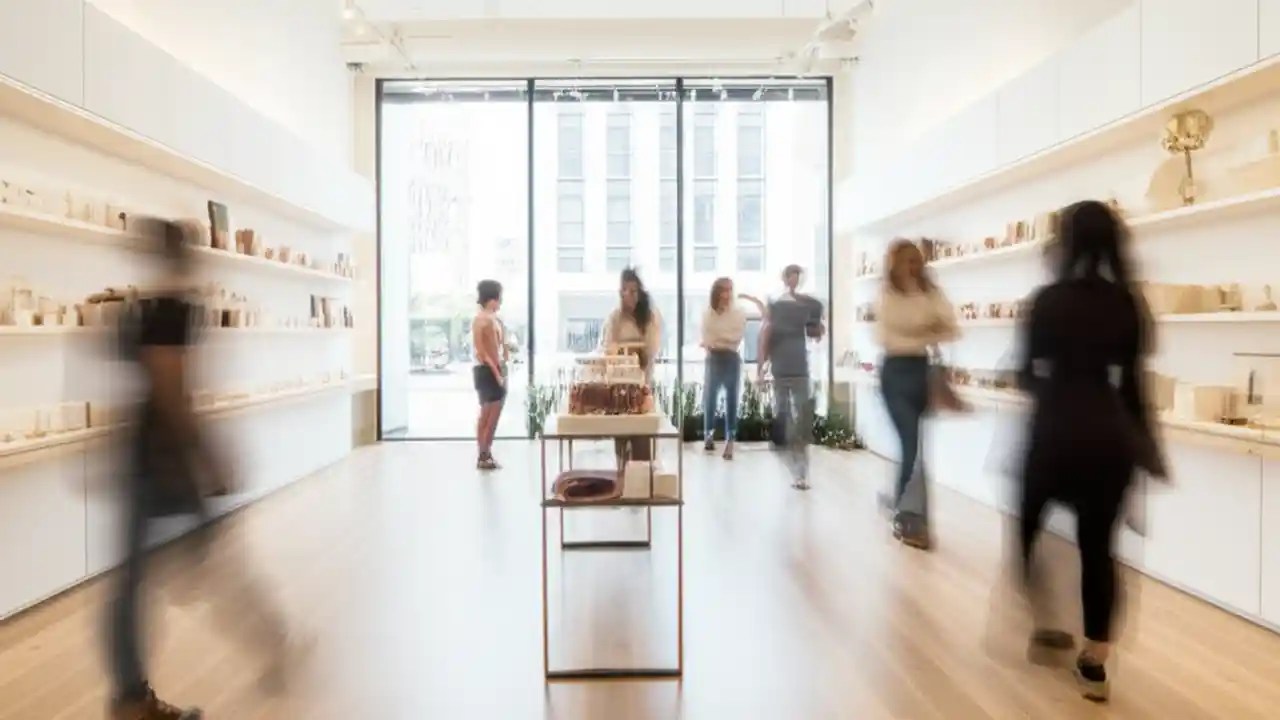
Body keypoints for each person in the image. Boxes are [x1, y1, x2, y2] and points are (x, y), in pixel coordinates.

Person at [109, 220, 301, 720]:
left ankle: (132, 695)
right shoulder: (173, 311)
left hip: (146, 457)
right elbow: (172, 390)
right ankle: (272, 640)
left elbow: (162, 386)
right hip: (165, 463)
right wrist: (207, 454)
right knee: (208, 564)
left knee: (140, 582)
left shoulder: (143, 309)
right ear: (184, 255)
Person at [1016, 200, 1163, 702]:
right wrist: (1146, 445)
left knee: (1027, 529)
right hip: (1108, 436)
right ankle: (1094, 662)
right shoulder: (1128, 303)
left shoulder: (1046, 301)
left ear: (1069, 241)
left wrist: (1055, 391)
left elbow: (1025, 375)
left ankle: (1046, 621)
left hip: (1054, 431)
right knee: (1099, 548)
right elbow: (1134, 386)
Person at [874, 240, 959, 549]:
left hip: (921, 372)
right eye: (906, 261)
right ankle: (905, 512)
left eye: (915, 261)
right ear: (895, 264)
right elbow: (886, 335)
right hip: (895, 373)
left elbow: (951, 328)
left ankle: (906, 509)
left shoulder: (931, 291)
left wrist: (917, 333)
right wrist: (926, 330)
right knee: (910, 443)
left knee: (918, 448)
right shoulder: (887, 294)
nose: (911, 267)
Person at [758, 264, 824, 490]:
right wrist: (761, 369)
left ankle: (801, 472)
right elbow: (765, 336)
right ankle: (791, 462)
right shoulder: (776, 304)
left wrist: (818, 328)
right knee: (784, 417)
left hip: (800, 369)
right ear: (785, 278)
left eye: (798, 277)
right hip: (780, 370)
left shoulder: (806, 305)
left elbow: (813, 332)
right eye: (792, 276)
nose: (795, 280)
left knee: (802, 421)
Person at [602, 268, 661, 461]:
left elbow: (651, 348)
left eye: (633, 291)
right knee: (621, 432)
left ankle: (643, 468)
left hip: (643, 381)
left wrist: (636, 354)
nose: (628, 295)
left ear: (639, 292)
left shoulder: (650, 316)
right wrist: (622, 355)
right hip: (619, 383)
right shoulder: (615, 317)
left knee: (642, 433)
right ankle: (622, 467)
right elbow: (608, 346)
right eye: (625, 290)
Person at [699, 277, 755, 459]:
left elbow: (736, 336)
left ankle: (730, 439)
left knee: (732, 399)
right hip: (713, 357)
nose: (727, 294)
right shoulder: (708, 313)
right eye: (723, 290)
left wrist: (718, 339)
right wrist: (718, 340)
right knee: (710, 397)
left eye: (730, 290)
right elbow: (707, 337)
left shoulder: (738, 313)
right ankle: (708, 434)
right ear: (716, 292)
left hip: (731, 357)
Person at [472, 280, 507, 470]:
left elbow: (499, 348)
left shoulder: (494, 319)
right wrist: (496, 372)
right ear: (492, 298)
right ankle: (483, 454)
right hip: (486, 370)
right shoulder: (481, 320)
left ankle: (486, 452)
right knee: (487, 414)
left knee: (493, 414)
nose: (500, 301)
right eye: (498, 297)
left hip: (495, 369)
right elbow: (482, 352)